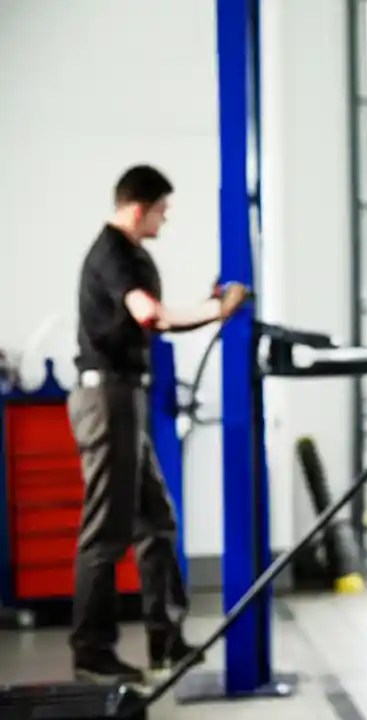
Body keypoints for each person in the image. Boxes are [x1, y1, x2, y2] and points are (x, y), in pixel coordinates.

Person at [68, 164, 247, 683]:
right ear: (137, 207)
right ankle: (91, 651)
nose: (166, 219)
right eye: (162, 210)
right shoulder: (114, 253)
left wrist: (211, 304)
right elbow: (152, 317)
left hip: (123, 396)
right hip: (107, 399)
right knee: (106, 532)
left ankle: (165, 641)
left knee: (157, 522)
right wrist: (218, 312)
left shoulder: (128, 253)